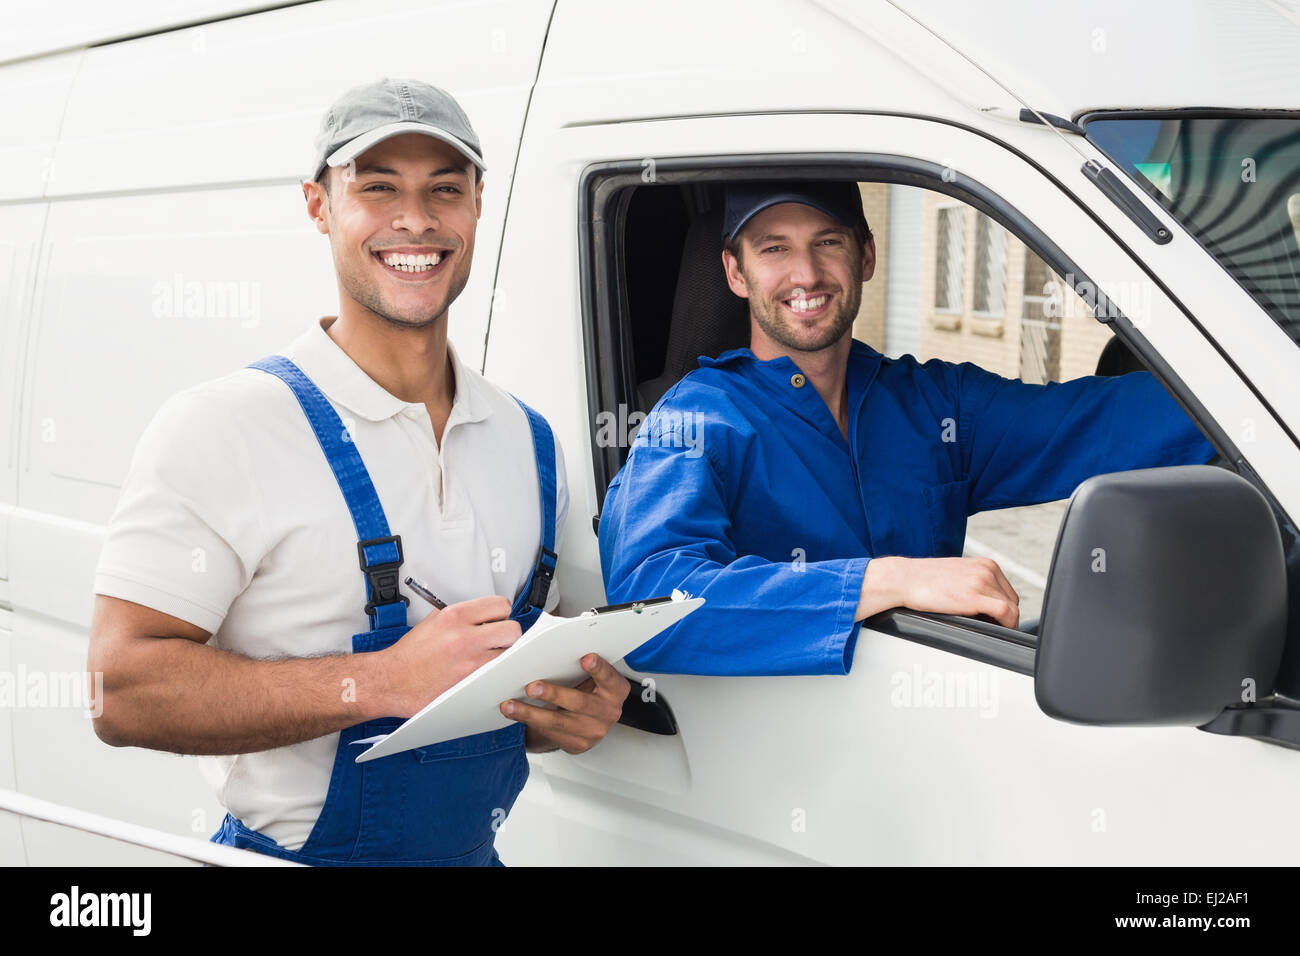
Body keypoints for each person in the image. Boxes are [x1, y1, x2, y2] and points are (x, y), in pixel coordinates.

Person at [87, 78, 628, 866]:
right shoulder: (226, 427)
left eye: (445, 189)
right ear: (318, 205)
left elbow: (520, 692)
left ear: (479, 202)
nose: (416, 219)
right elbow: (119, 690)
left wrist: (562, 714)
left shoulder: (528, 442)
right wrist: (380, 683)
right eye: (378, 188)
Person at [597, 180, 1218, 676]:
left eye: (829, 242)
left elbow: (1107, 423)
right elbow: (648, 607)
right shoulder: (695, 421)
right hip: (778, 777)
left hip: (929, 759)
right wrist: (891, 577)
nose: (807, 275)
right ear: (735, 273)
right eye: (774, 248)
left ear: (866, 255)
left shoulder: (935, 404)